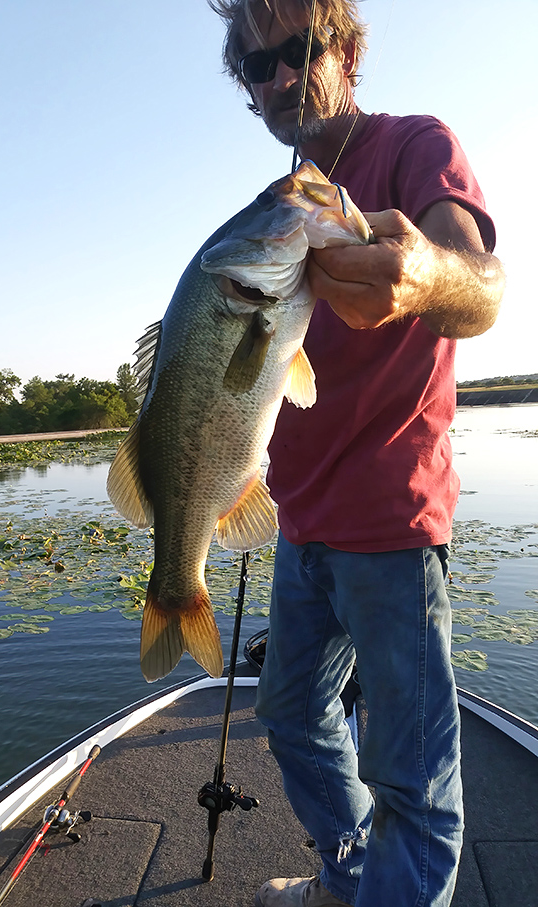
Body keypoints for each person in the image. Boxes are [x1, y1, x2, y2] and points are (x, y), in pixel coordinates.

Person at [208, 1, 505, 906]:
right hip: (301, 525)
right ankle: (352, 878)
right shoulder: (280, 209)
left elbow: (480, 287)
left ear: (347, 50)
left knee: (412, 777)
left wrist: (422, 277)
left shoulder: (417, 144)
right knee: (293, 715)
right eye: (257, 70)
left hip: (390, 521)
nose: (278, 81)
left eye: (296, 53)